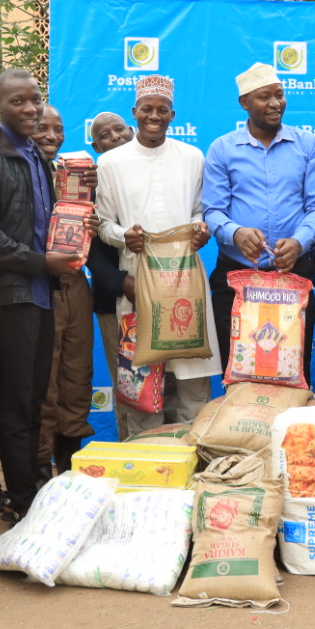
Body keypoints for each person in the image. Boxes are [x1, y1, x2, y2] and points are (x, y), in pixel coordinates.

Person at [0, 69, 76, 523]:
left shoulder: (36, 156)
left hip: (42, 294)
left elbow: (41, 224)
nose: (30, 110)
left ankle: (32, 487)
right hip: (10, 298)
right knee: (12, 404)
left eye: (35, 101)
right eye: (18, 102)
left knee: (33, 401)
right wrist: (37, 262)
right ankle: (23, 498)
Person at [97, 76, 220, 433]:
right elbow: (104, 225)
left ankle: (193, 471)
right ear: (135, 113)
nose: (154, 116)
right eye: (147, 109)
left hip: (186, 286)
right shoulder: (111, 164)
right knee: (141, 393)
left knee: (193, 391)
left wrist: (200, 229)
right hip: (138, 286)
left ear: (172, 114)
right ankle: (146, 472)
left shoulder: (192, 157)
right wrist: (124, 237)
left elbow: (200, 211)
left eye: (161, 110)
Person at [202, 63, 315, 373]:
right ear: (244, 103)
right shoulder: (222, 149)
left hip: (292, 276)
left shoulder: (308, 145)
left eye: (279, 95)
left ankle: (289, 423)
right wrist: (236, 233)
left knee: (290, 372)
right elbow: (213, 210)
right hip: (237, 277)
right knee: (237, 371)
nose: (275, 104)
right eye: (264, 97)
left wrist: (299, 243)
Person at [33, 105, 126, 472]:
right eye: (42, 128)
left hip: (74, 286)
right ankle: (38, 471)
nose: (51, 136)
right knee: (45, 380)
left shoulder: (77, 174)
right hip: (36, 286)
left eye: (58, 129)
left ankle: (67, 466)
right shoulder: (16, 166)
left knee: (76, 377)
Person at [87, 112, 132, 409]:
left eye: (119, 130)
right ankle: (130, 449)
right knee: (128, 383)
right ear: (96, 147)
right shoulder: (88, 185)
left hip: (159, 295)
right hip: (112, 299)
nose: (115, 137)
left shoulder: (155, 174)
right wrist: (121, 282)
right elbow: (88, 249)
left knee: (169, 380)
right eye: (105, 135)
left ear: (131, 131)